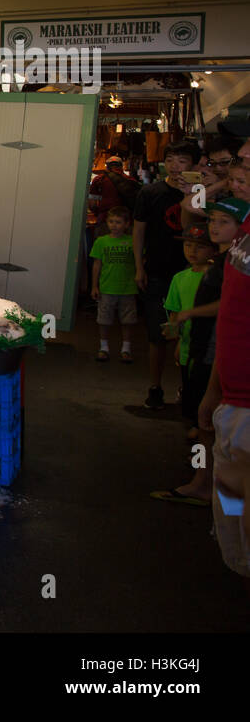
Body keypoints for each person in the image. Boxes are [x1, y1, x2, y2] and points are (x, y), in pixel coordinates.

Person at [152, 198, 249, 506]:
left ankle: (207, 486)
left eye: (225, 222)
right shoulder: (222, 260)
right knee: (202, 423)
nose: (215, 227)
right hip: (204, 349)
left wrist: (188, 314)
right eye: (213, 221)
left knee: (207, 425)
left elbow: (230, 306)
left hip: (216, 353)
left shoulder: (231, 261)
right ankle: (207, 483)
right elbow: (186, 204)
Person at [199, 194, 250, 589]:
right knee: (230, 483)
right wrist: (215, 390)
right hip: (233, 401)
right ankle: (238, 558)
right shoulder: (239, 243)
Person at [133, 140, 201, 410]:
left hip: (191, 273)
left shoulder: (200, 193)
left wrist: (192, 194)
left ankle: (189, 390)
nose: (175, 166)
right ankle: (155, 386)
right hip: (158, 270)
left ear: (194, 165)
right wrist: (139, 266)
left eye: (182, 161)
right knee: (157, 333)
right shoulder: (150, 192)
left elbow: (193, 228)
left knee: (192, 335)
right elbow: (138, 231)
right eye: (170, 159)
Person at [162, 223, 217, 426]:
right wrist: (176, 337)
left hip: (209, 344)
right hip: (187, 343)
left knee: (206, 386)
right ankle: (194, 422)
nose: (192, 251)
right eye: (188, 245)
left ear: (213, 249)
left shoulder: (216, 277)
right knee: (190, 383)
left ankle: (201, 426)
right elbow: (175, 312)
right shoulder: (179, 278)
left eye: (200, 246)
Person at [89, 206, 138, 362]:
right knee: (104, 320)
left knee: (128, 320)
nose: (114, 225)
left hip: (128, 288)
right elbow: (97, 264)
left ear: (126, 224)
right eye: (111, 222)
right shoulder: (101, 242)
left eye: (118, 222)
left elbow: (139, 262)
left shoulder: (133, 242)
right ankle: (103, 347)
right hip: (107, 287)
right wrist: (94, 286)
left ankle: (126, 348)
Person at [89, 157, 139, 228]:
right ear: (121, 166)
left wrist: (99, 213)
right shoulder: (131, 180)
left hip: (105, 219)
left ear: (107, 166)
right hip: (125, 222)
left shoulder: (98, 180)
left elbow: (92, 204)